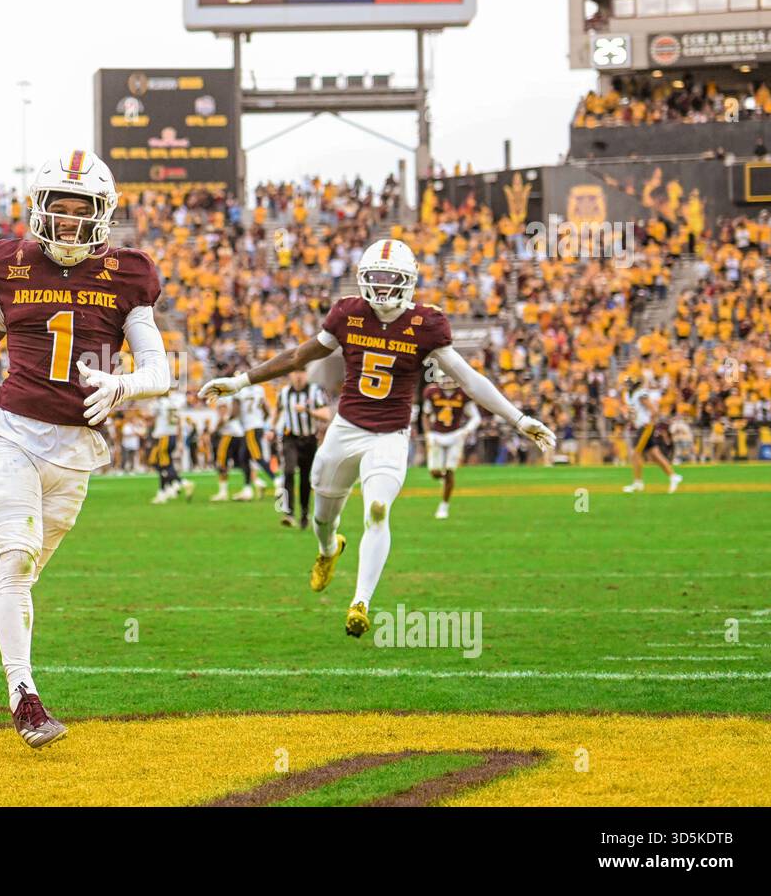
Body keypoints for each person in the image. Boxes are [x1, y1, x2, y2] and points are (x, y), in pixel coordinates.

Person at [0, 151, 169, 748]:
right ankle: (25, 698)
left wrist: (124, 384)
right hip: (11, 433)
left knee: (16, 576)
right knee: (15, 558)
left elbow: (159, 371)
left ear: (103, 214)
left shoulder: (128, 274)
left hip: (76, 449)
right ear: (39, 210)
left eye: (83, 211)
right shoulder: (9, 264)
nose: (70, 223)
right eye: (60, 209)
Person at [201, 239, 555, 637]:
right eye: (376, 279)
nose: (383, 289)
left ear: (408, 282)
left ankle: (360, 601)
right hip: (345, 428)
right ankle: (328, 549)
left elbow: (470, 380)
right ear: (362, 280)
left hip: (390, 435)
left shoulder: (427, 324)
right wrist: (240, 381)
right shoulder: (348, 314)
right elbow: (299, 357)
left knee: (378, 510)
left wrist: (518, 418)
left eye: (391, 280)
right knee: (322, 516)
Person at [421, 373, 481, 519]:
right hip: (437, 435)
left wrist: (466, 431)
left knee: (450, 471)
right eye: (445, 377)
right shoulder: (431, 392)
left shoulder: (463, 394)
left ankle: (444, 505)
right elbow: (425, 414)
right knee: (435, 473)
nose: (448, 380)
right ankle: (444, 478)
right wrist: (428, 433)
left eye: (450, 377)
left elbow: (476, 417)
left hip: (455, 435)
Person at [275, 370, 328, 529]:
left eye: (302, 373)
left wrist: (308, 411)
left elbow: (326, 414)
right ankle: (288, 513)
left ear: (306, 374)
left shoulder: (315, 391)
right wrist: (271, 428)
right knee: (288, 471)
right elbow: (277, 412)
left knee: (306, 479)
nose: (298, 376)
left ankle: (304, 513)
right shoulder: (284, 392)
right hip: (290, 437)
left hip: (309, 439)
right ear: (290, 375)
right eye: (295, 372)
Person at [622, 377, 682, 493]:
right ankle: (673, 477)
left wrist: (651, 423)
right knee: (654, 454)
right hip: (642, 426)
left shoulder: (640, 393)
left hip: (645, 426)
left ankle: (638, 483)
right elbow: (634, 414)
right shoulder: (632, 396)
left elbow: (654, 410)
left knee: (635, 454)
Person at [148, 390, 193, 504]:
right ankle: (169, 489)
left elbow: (150, 416)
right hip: (171, 436)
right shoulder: (174, 403)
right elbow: (178, 422)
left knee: (162, 465)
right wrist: (179, 441)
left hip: (163, 437)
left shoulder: (160, 403)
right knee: (164, 465)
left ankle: (181, 483)